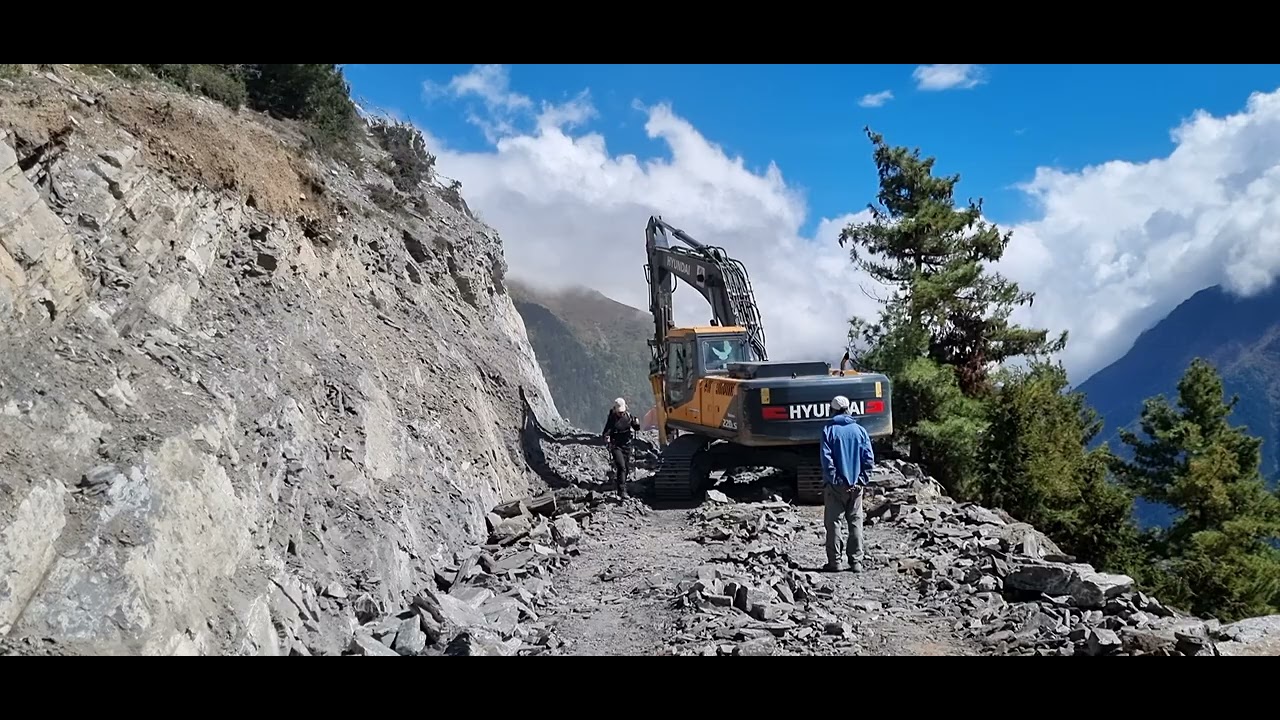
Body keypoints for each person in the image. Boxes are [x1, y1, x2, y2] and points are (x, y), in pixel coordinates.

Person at [819, 395, 874, 572]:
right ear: (849, 409)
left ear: (832, 410)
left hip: (836, 486)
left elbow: (826, 460)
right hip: (856, 486)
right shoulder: (860, 431)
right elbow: (869, 459)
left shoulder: (828, 431)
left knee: (834, 523)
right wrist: (861, 480)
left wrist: (836, 480)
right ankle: (856, 562)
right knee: (856, 522)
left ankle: (835, 562)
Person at [601, 397, 641, 498]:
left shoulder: (628, 417)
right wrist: (607, 437)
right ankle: (622, 491)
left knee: (626, 468)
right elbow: (606, 432)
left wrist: (637, 423)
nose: (621, 414)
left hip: (626, 445)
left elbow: (636, 428)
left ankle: (621, 485)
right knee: (621, 467)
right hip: (616, 446)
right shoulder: (612, 419)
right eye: (619, 412)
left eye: (622, 412)